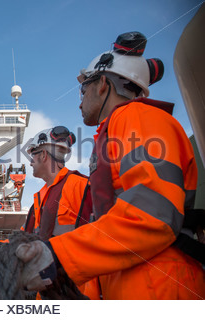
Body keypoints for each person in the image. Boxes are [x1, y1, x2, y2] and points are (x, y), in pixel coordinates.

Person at [16, 31, 205, 299]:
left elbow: (151, 217)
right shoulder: (119, 128)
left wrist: (58, 257)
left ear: (102, 84)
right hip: (132, 283)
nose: (80, 100)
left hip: (157, 288)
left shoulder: (138, 118)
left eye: (83, 89)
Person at [22, 126, 91, 240]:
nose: (30, 163)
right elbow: (22, 237)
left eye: (33, 155)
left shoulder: (81, 186)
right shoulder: (39, 200)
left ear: (43, 155)